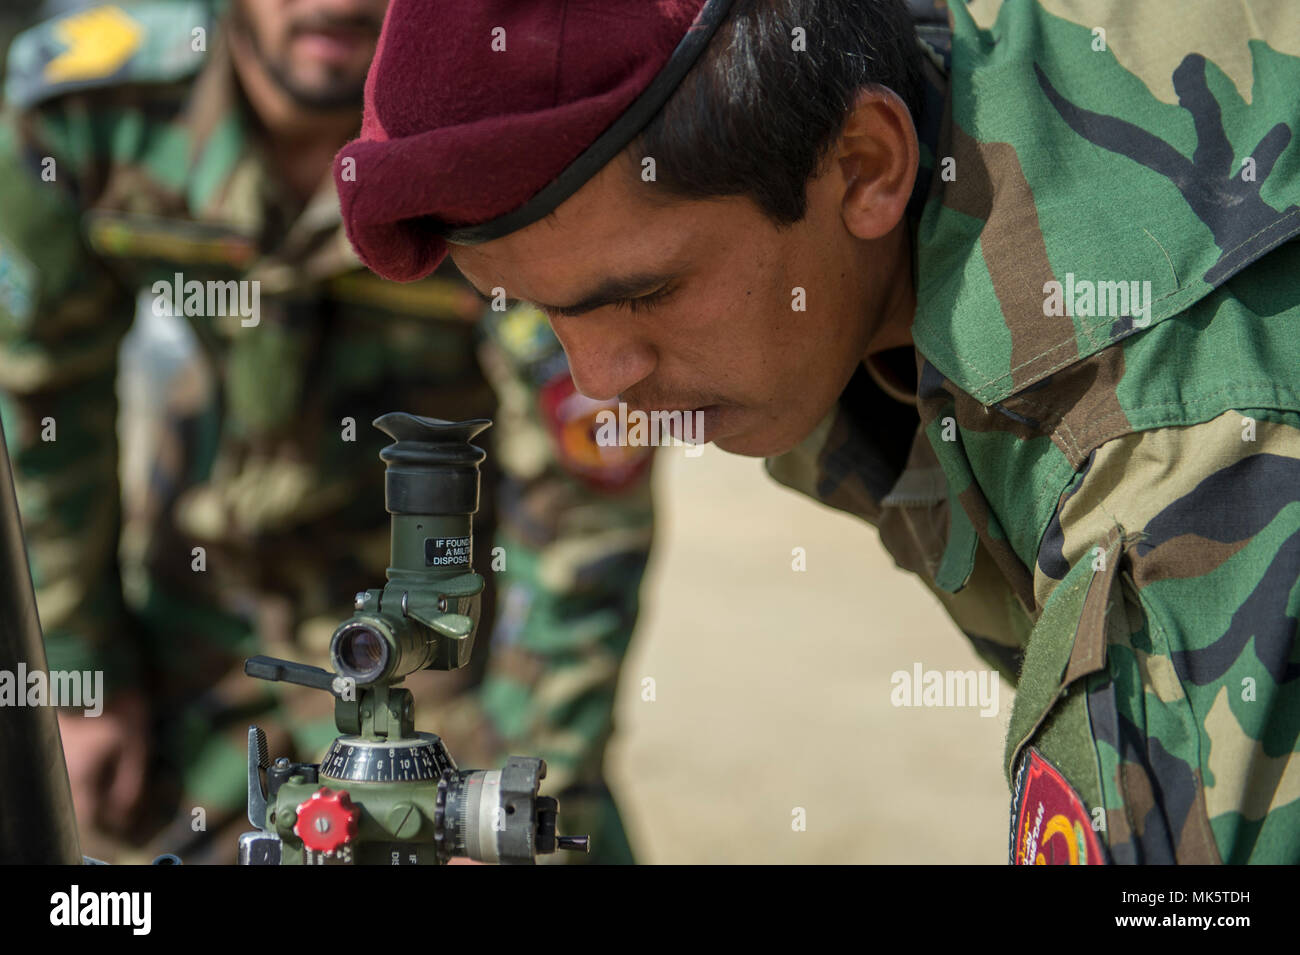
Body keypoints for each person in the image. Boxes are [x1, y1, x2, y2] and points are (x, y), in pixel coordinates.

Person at [334, 0, 1300, 865]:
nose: (598, 380)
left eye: (645, 293)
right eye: (542, 311)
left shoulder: (1164, 446)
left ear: (866, 166)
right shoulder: (892, 131)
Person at [0, 0, 654, 864]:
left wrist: (534, 783)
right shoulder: (90, 107)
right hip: (209, 610)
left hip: (447, 639)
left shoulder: (512, 129)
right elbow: (44, 414)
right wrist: (81, 678)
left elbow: (583, 503)